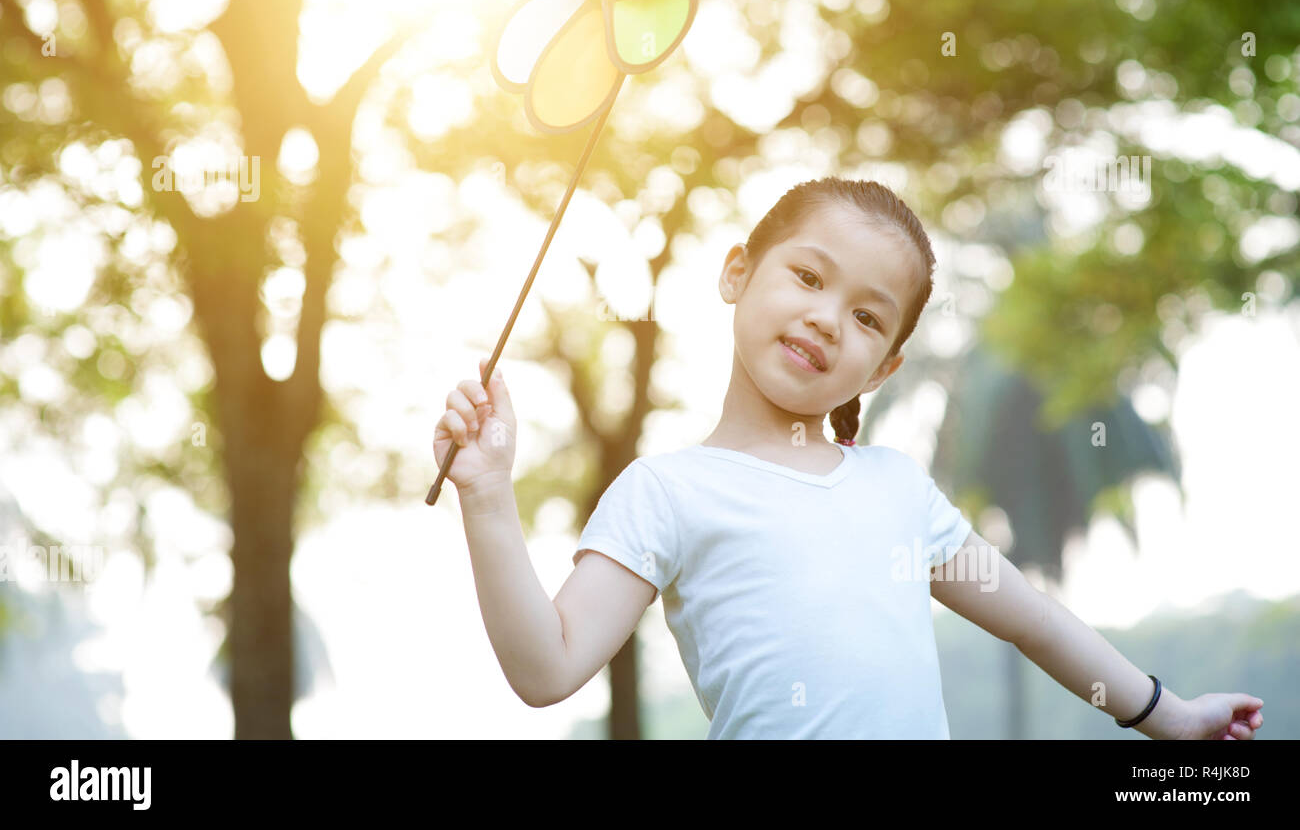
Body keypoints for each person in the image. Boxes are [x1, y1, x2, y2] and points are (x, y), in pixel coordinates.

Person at [434, 176, 1265, 739]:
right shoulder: (665, 492)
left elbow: (1035, 621)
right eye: (806, 275)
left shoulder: (897, 489)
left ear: (887, 366)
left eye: (869, 318)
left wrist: (1171, 716)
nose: (829, 318)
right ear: (737, 272)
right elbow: (547, 668)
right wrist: (487, 496)